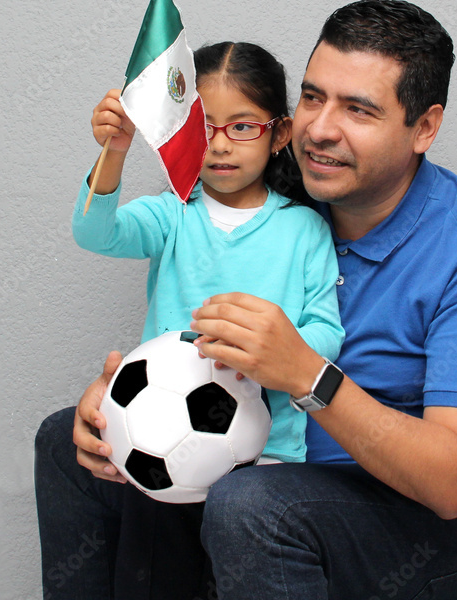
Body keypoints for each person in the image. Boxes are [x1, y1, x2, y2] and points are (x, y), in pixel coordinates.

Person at [38, 0, 457, 600]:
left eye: (359, 110)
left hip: (421, 513)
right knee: (69, 441)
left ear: (424, 127)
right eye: (314, 97)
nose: (321, 128)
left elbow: (452, 485)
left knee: (252, 506)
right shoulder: (286, 193)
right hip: (245, 454)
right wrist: (126, 402)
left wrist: (303, 371)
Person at [35, 41, 344, 599]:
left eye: (242, 126)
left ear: (279, 134)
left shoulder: (304, 231)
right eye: (203, 127)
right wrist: (115, 151)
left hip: (265, 456)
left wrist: (268, 349)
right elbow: (95, 233)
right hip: (163, 443)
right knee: (152, 567)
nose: (220, 145)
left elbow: (327, 331)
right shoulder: (174, 214)